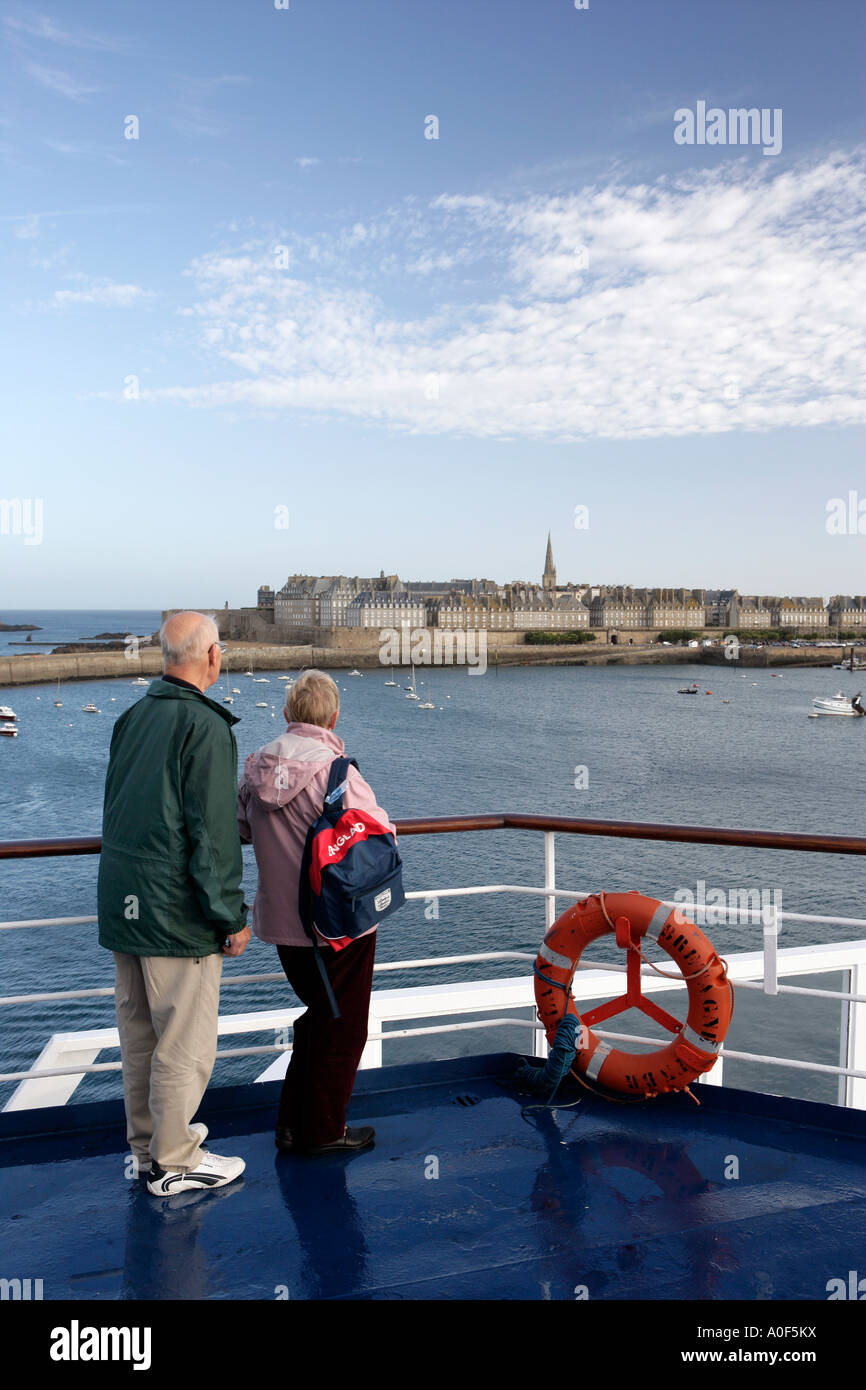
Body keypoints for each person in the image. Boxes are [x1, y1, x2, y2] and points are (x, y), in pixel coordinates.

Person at [97, 611, 251, 1195]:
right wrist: (230, 915)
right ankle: (176, 1160)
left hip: (125, 903)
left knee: (140, 1040)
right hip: (175, 914)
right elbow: (210, 836)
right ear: (210, 656)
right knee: (183, 1044)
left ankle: (146, 1152)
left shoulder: (132, 718)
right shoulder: (205, 726)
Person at [238, 669, 394, 1155]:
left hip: (284, 925)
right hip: (337, 924)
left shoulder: (255, 769)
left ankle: (293, 1123)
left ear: (287, 714)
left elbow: (241, 829)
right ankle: (323, 1131)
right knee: (344, 1027)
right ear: (334, 715)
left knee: (319, 1017)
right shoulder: (336, 772)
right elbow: (381, 832)